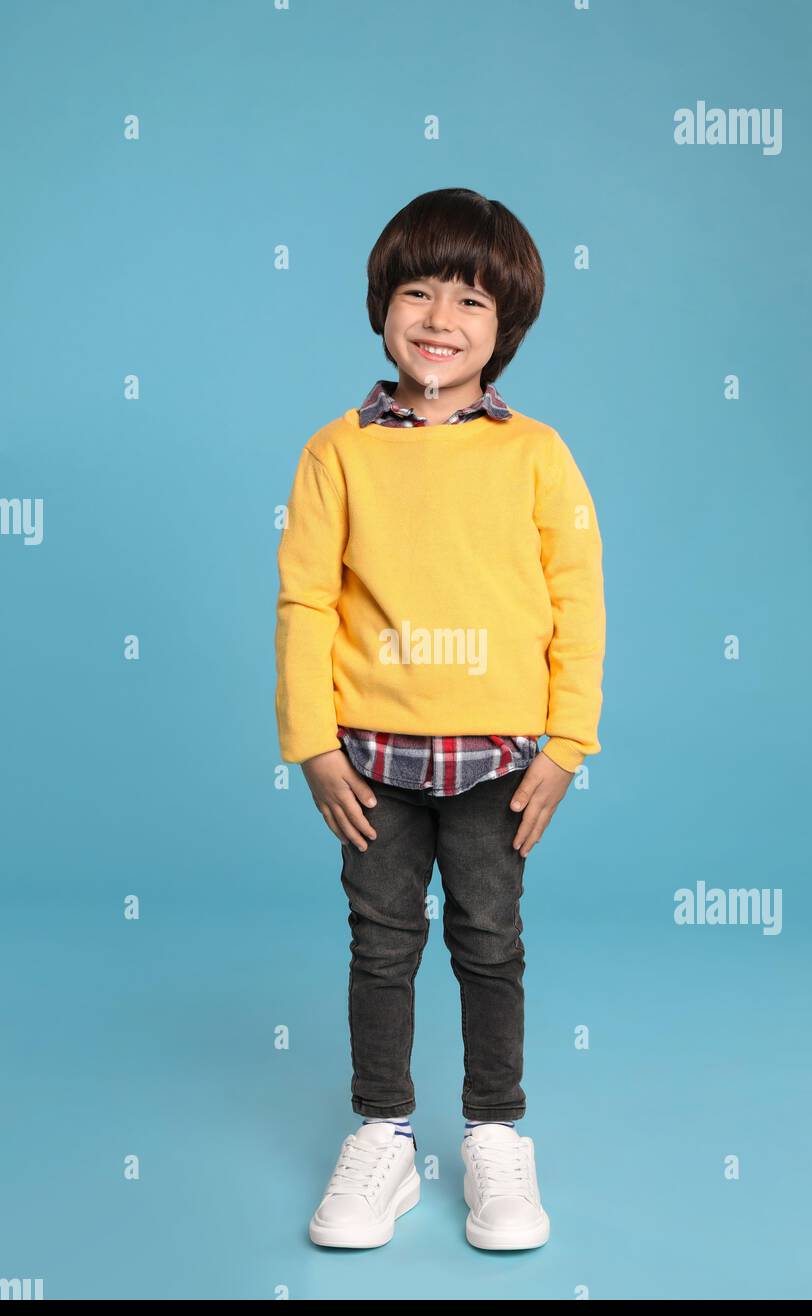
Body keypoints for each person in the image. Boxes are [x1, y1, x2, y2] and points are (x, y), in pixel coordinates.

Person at [274, 187, 606, 1251]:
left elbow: (577, 601)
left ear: (504, 327)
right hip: (368, 760)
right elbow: (305, 602)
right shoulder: (337, 451)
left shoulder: (535, 454)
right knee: (380, 946)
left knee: (488, 942)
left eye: (468, 299)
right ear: (382, 306)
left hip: (497, 761)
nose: (437, 318)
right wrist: (311, 743)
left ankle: (495, 1136)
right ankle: (382, 1134)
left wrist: (566, 743)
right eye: (416, 291)